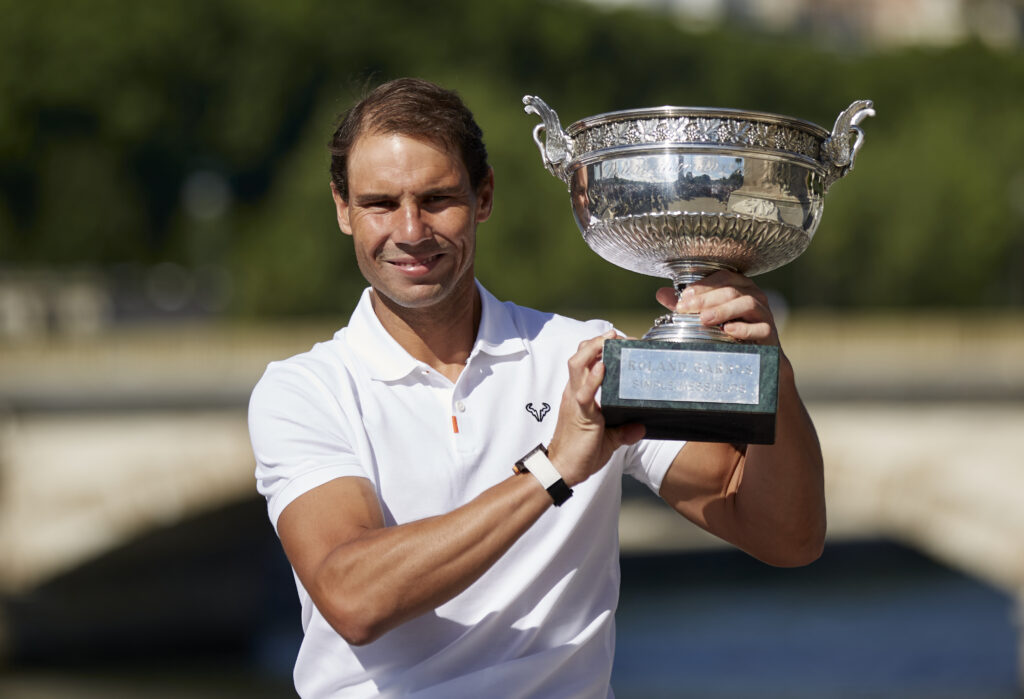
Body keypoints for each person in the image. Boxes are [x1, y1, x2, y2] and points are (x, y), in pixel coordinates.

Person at [248, 77, 825, 698]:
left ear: (485, 195)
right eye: (381, 204)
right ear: (342, 208)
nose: (411, 231)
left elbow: (785, 537)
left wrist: (775, 376)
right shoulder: (304, 389)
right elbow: (354, 599)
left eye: (438, 199)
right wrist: (552, 471)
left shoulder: (580, 355)